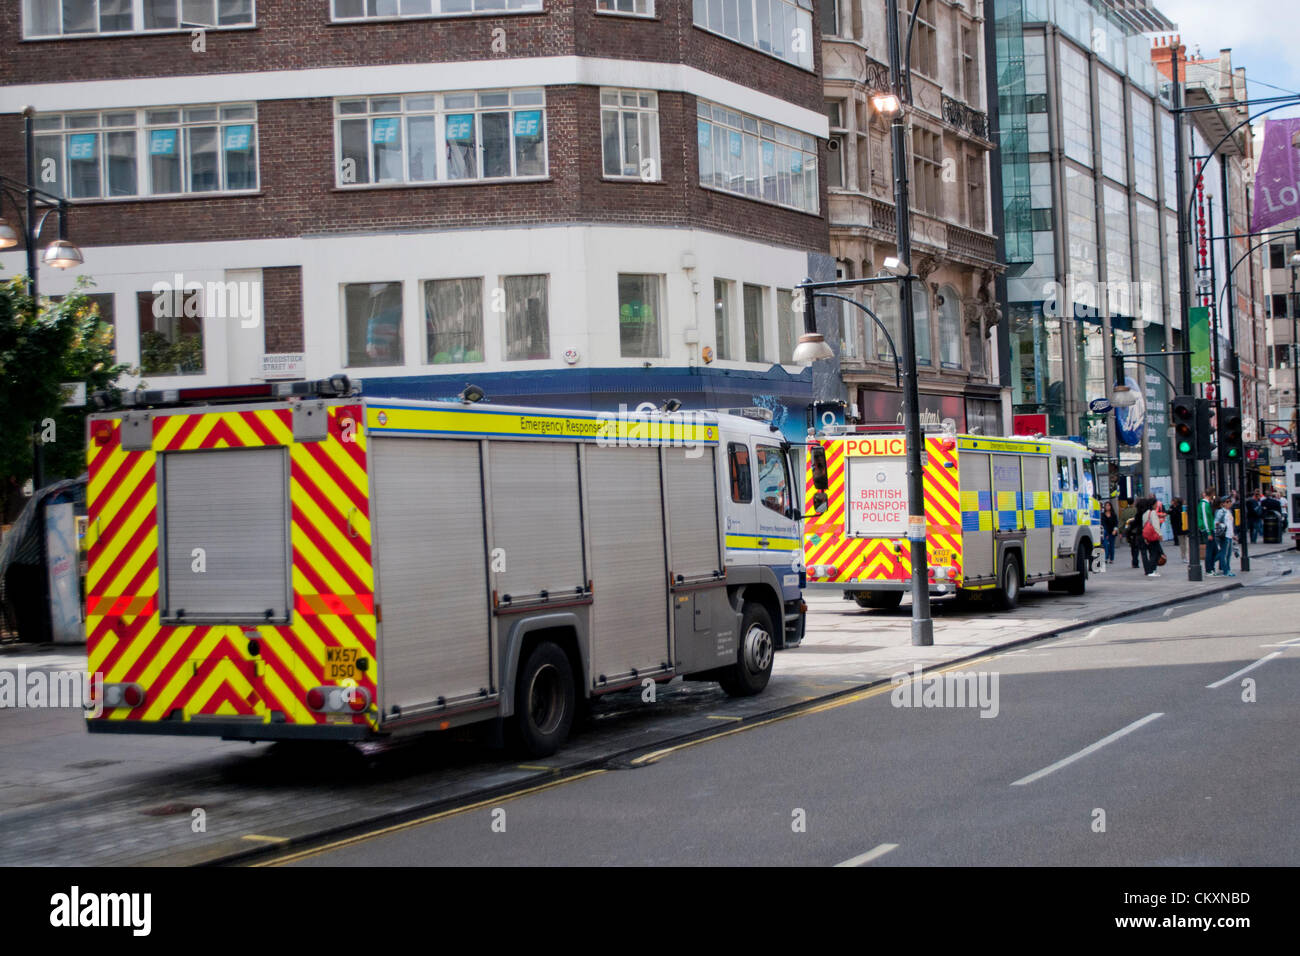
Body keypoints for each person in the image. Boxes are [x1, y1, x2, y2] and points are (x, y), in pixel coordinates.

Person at [1142, 497, 1166, 577]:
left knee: (1152, 552)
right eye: (1156, 504)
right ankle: (1152, 570)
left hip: (1148, 535)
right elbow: (1156, 525)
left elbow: (1144, 525)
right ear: (1153, 505)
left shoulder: (1145, 513)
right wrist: (1160, 534)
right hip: (1153, 535)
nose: (1157, 505)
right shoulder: (1153, 513)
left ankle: (1152, 570)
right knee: (1154, 554)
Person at [1213, 496, 1235, 577]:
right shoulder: (1220, 512)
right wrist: (1221, 525)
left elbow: (1230, 525)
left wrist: (1233, 535)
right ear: (1223, 504)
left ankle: (1227, 569)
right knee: (1224, 554)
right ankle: (1225, 570)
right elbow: (1215, 522)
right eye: (1227, 501)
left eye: (1230, 501)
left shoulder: (1229, 511)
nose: (1229, 503)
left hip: (1229, 535)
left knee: (1228, 554)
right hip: (1224, 535)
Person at [1198, 488, 1218, 574]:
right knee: (1210, 550)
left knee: (1214, 550)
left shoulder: (1207, 504)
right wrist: (1209, 532)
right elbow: (1205, 519)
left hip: (1210, 529)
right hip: (1208, 530)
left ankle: (1211, 568)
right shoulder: (1204, 504)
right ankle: (1209, 569)